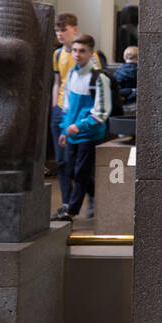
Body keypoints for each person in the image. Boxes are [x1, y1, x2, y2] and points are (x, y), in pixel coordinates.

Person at [53, 34, 111, 222]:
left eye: (82, 51)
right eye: (75, 50)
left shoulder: (99, 78)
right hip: (71, 132)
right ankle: (95, 192)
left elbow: (101, 112)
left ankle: (70, 211)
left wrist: (79, 125)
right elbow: (67, 106)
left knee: (80, 172)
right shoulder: (71, 74)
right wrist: (64, 130)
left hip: (89, 134)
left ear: (90, 53)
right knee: (69, 170)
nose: (77, 54)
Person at [50, 13, 100, 211]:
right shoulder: (58, 55)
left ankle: (88, 193)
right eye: (57, 30)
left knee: (79, 166)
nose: (60, 34)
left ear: (74, 29)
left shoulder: (92, 58)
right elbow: (58, 82)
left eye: (63, 30)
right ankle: (66, 204)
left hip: (83, 115)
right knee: (62, 162)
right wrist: (56, 106)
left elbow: (97, 85)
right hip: (62, 111)